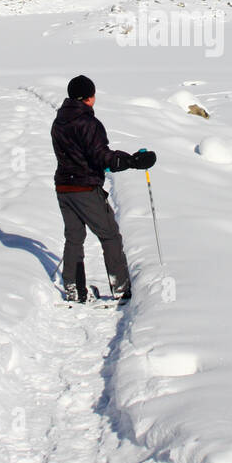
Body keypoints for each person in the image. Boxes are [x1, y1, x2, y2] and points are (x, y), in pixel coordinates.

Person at [51, 75, 156, 303]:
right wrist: (133, 161)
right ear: (89, 97)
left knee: (74, 237)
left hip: (63, 187)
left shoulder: (59, 121)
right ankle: (121, 289)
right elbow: (102, 157)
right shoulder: (88, 123)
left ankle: (74, 289)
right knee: (109, 235)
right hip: (85, 188)